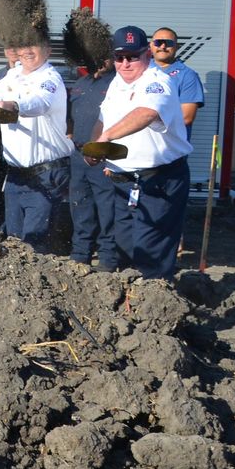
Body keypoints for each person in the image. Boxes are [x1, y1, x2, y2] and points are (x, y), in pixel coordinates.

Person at [86, 25, 192, 279]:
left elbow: (147, 113)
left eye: (132, 57)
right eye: (119, 57)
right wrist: (94, 146)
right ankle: (133, 295)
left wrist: (106, 138)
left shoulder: (157, 82)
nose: (125, 63)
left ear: (147, 54)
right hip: (124, 181)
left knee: (151, 251)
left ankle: (157, 296)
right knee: (125, 247)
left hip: (159, 180)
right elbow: (103, 119)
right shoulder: (117, 83)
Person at [0, 37, 73, 251]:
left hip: (46, 175)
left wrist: (10, 105)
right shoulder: (13, 75)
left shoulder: (50, 78)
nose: (27, 51)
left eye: (33, 45)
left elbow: (40, 103)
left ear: (48, 50)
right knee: (14, 241)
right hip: (16, 176)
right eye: (23, 46)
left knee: (36, 244)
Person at [67, 51, 116, 268]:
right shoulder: (81, 83)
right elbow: (70, 116)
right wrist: (70, 135)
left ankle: (107, 258)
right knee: (80, 208)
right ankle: (80, 255)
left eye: (105, 56)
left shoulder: (117, 84)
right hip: (78, 156)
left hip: (104, 157)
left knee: (107, 210)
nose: (100, 60)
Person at [150, 28, 204, 134]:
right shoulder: (139, 70)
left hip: (169, 143)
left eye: (168, 43)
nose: (163, 46)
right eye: (158, 42)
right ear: (151, 45)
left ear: (176, 47)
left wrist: (142, 123)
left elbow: (186, 117)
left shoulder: (187, 76)